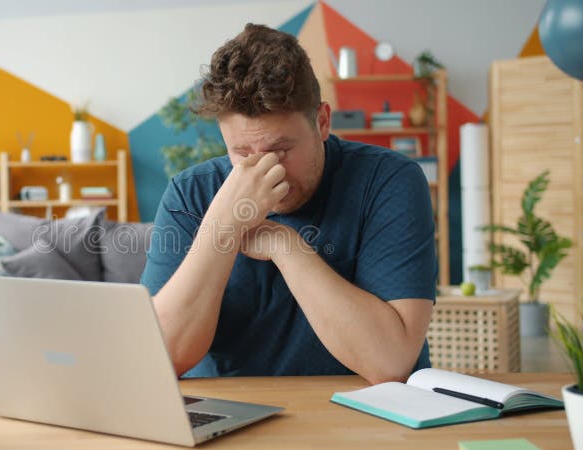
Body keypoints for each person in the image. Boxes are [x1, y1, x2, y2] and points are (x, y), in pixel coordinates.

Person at [140, 24, 436, 384]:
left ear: (322, 122)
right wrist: (223, 227)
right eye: (242, 152)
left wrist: (284, 245)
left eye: (280, 150)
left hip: (360, 411)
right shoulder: (191, 193)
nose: (264, 170)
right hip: (229, 412)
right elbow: (159, 360)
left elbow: (390, 362)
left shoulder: (388, 180)